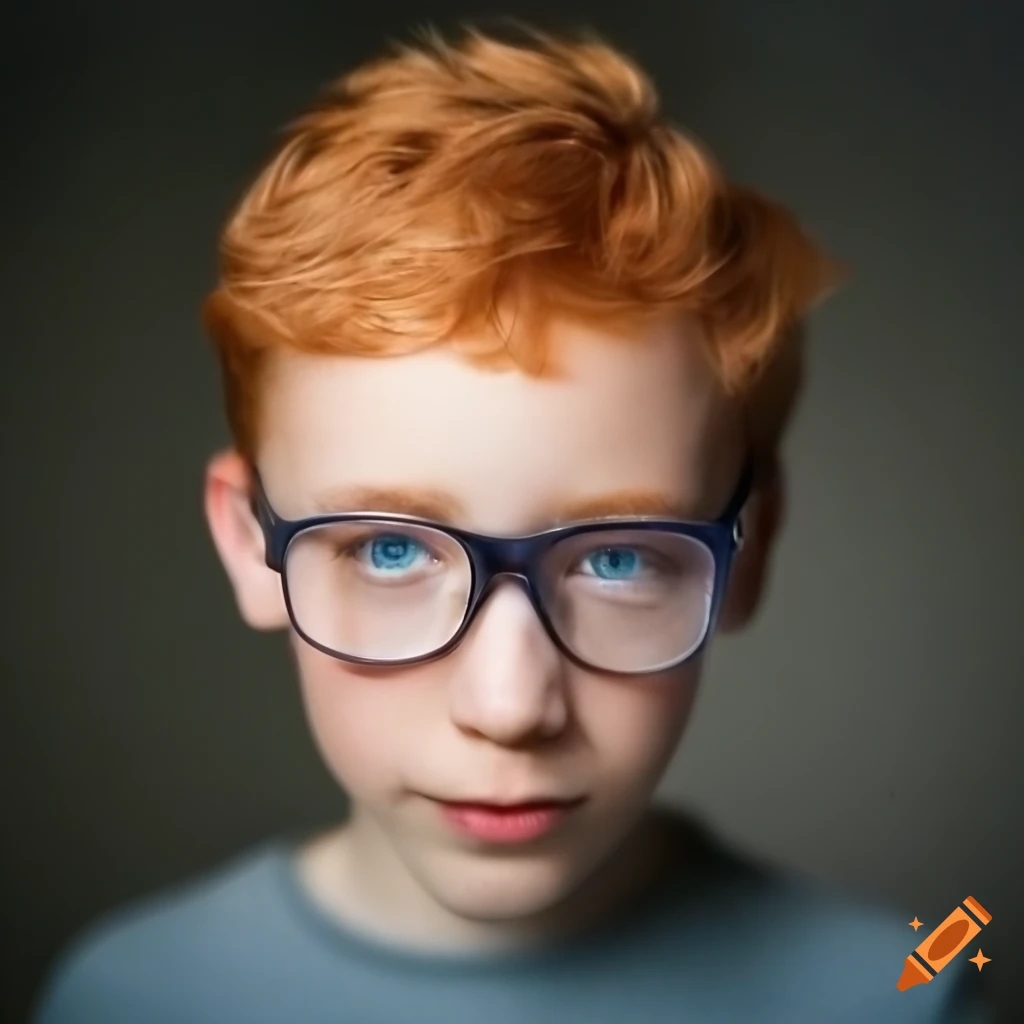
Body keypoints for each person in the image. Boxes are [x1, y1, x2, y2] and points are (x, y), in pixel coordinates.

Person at [34, 22, 990, 1024]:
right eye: (390, 547)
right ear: (249, 545)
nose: (509, 705)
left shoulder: (902, 992)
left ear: (747, 552)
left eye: (618, 557)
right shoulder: (128, 995)